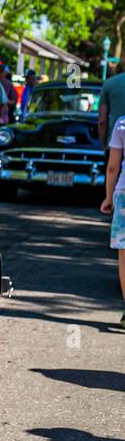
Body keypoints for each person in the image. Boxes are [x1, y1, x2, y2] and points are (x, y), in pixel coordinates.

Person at [102, 113, 125, 329]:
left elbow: (112, 167)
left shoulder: (121, 123)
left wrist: (108, 197)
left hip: (124, 194)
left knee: (124, 255)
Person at [99, 63, 125, 158]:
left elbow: (102, 121)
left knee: (113, 172)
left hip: (115, 145)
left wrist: (104, 145)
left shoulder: (109, 84)